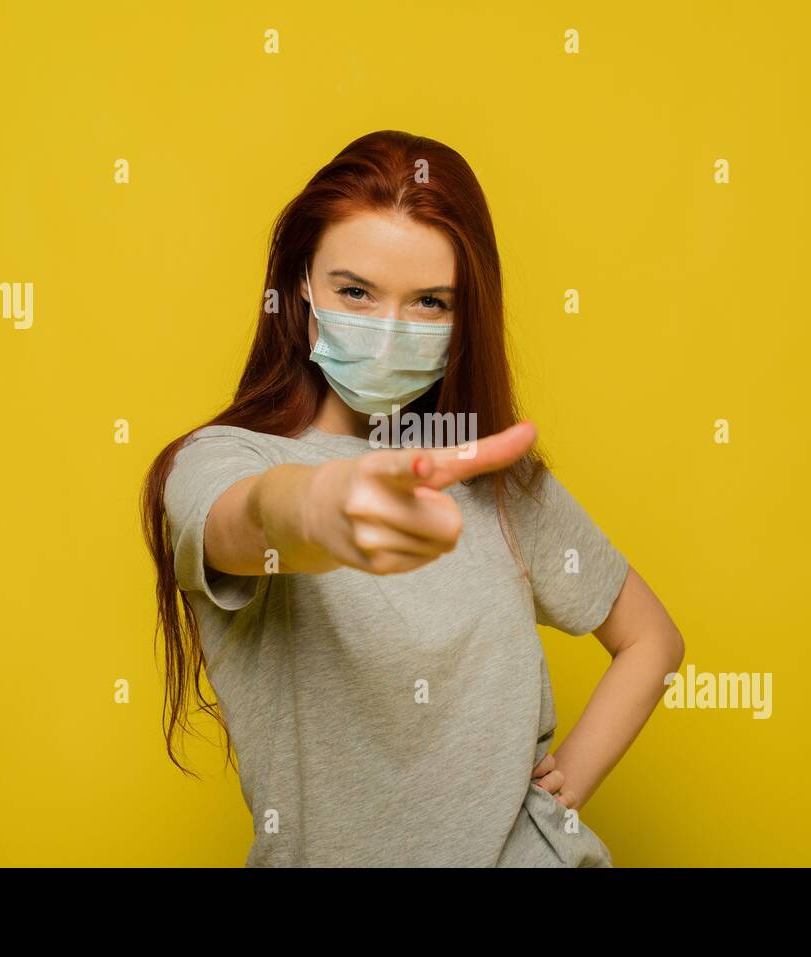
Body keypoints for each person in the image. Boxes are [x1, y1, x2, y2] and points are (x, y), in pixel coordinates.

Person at [141, 129, 684, 866]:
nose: (389, 332)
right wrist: (323, 504)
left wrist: (561, 794)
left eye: (430, 302)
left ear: (465, 318)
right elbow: (251, 516)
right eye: (356, 291)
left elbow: (652, 641)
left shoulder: (493, 476)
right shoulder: (223, 461)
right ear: (300, 285)